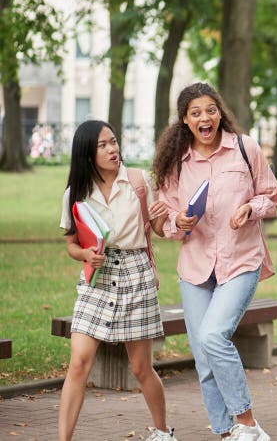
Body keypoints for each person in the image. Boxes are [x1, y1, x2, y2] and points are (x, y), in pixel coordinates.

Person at [152, 83, 277, 441]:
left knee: (213, 335)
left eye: (210, 109)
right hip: (195, 267)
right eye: (196, 112)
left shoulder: (245, 148)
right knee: (203, 356)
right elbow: (164, 220)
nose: (204, 117)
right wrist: (179, 221)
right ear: (185, 120)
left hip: (241, 260)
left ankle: (248, 423)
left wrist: (250, 208)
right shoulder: (175, 162)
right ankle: (227, 433)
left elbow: (270, 195)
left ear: (220, 112)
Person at [58, 120, 176, 441]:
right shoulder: (76, 192)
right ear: (87, 154)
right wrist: (84, 255)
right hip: (96, 278)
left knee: (140, 368)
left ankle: (163, 432)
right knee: (79, 363)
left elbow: (161, 231)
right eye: (103, 145)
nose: (113, 149)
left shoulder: (138, 181)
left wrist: (163, 216)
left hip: (136, 274)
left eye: (114, 142)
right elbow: (71, 243)